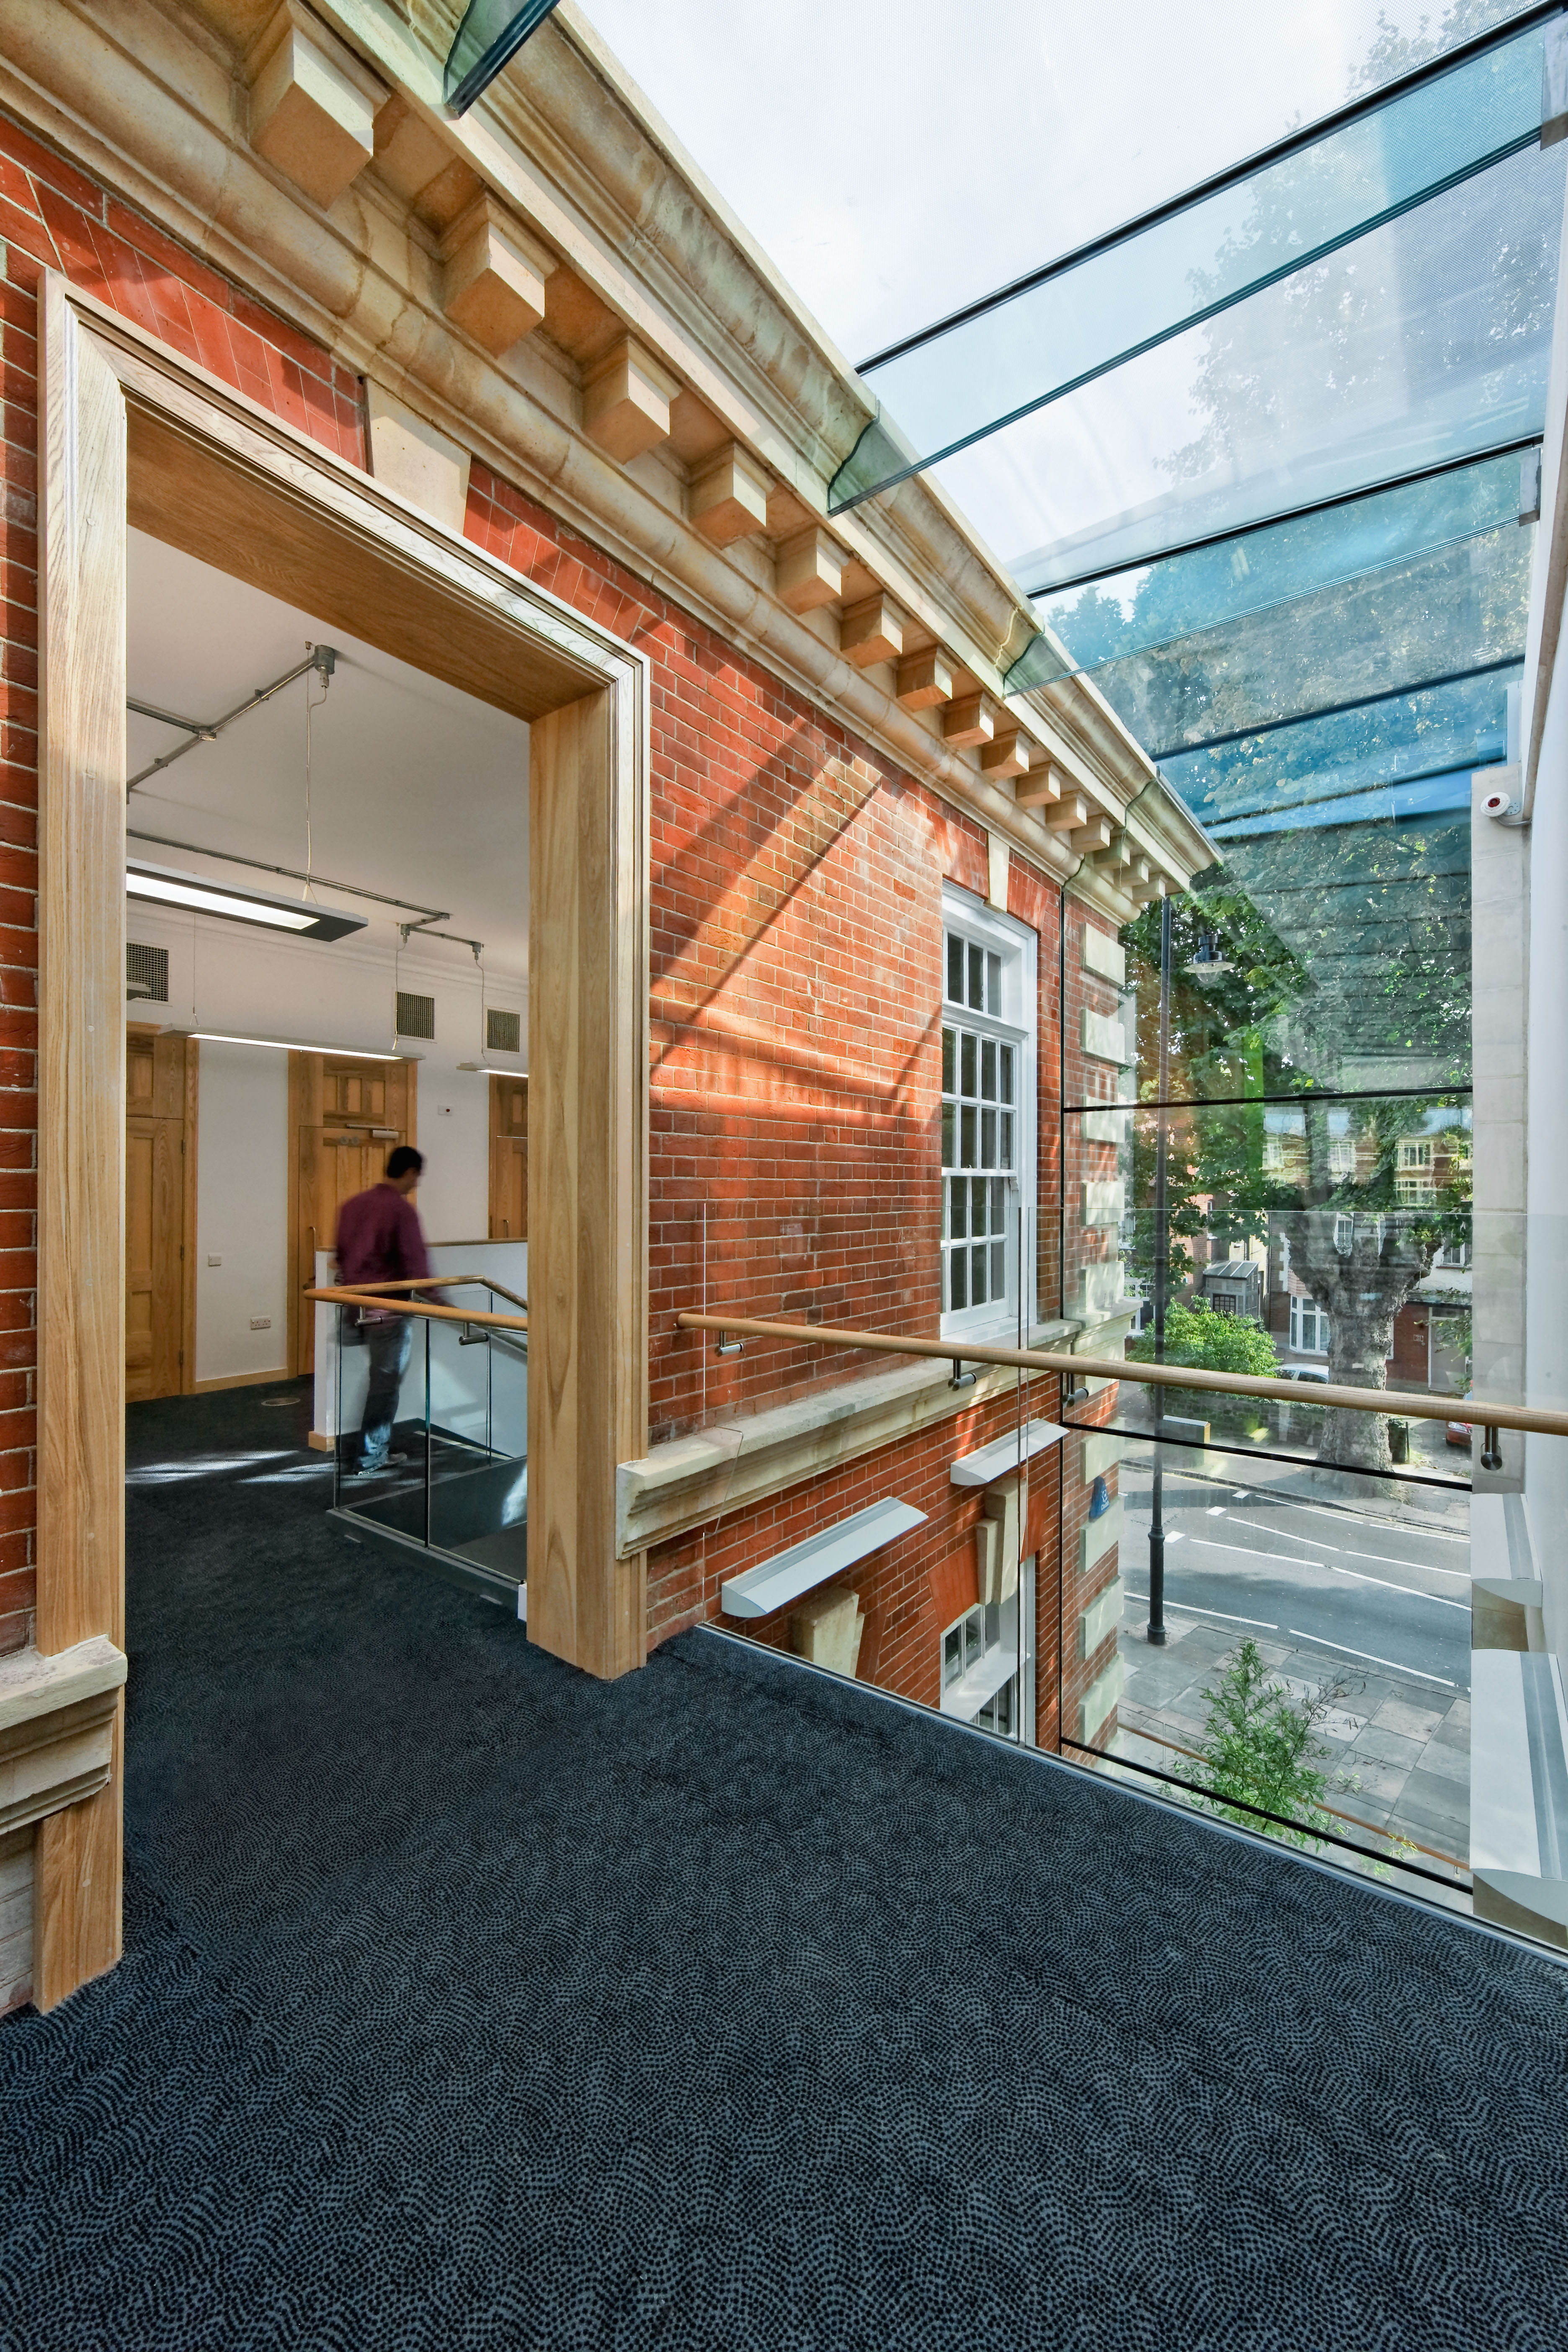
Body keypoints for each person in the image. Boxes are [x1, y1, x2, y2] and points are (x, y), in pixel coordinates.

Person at [334, 1145, 439, 1475]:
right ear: (409, 1172)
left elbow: (341, 1254)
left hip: (355, 1307)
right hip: (388, 1313)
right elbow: (415, 1264)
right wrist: (439, 1300)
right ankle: (371, 1456)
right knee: (385, 1385)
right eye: (417, 1177)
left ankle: (370, 1449)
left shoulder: (352, 1206)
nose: (416, 1184)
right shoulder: (401, 1211)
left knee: (378, 1383)